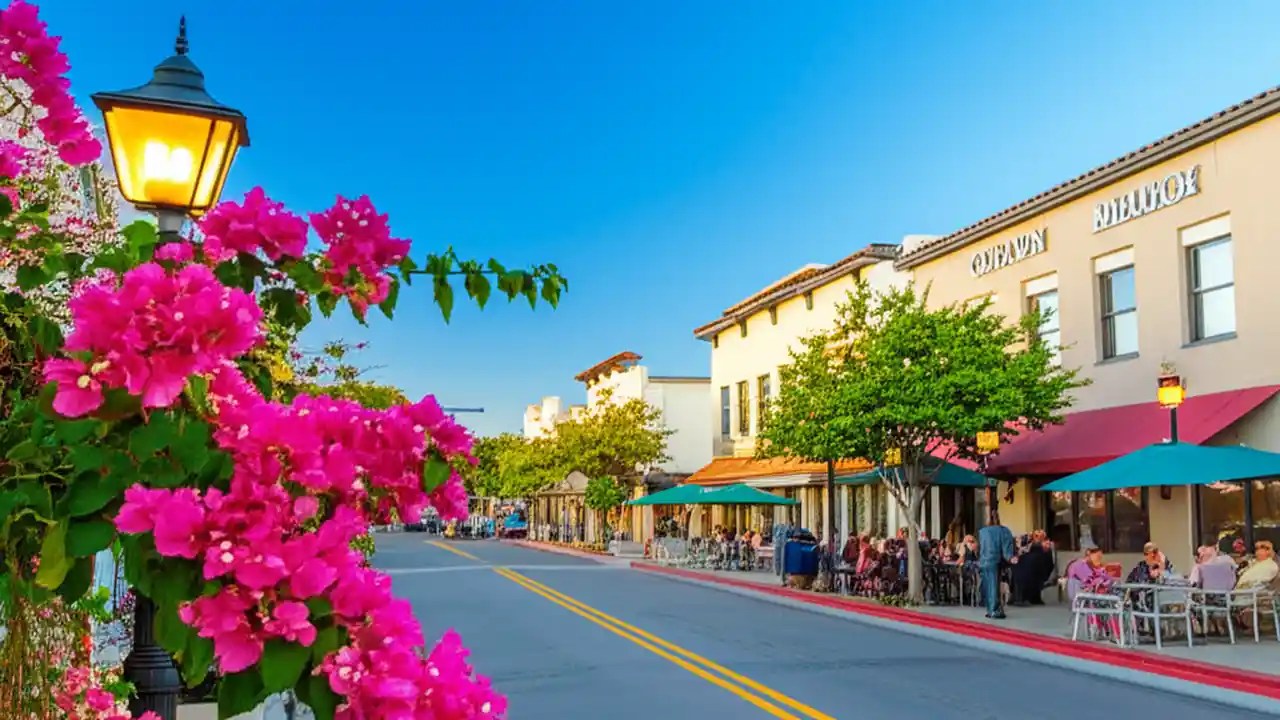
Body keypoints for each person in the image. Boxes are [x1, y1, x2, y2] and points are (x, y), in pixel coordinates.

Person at [978, 516, 1016, 619]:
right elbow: (1006, 546)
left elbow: (981, 547)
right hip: (994, 560)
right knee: (994, 586)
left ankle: (990, 610)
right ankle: (995, 610)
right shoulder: (1003, 531)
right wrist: (1010, 557)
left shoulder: (982, 531)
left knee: (988, 586)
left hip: (984, 560)